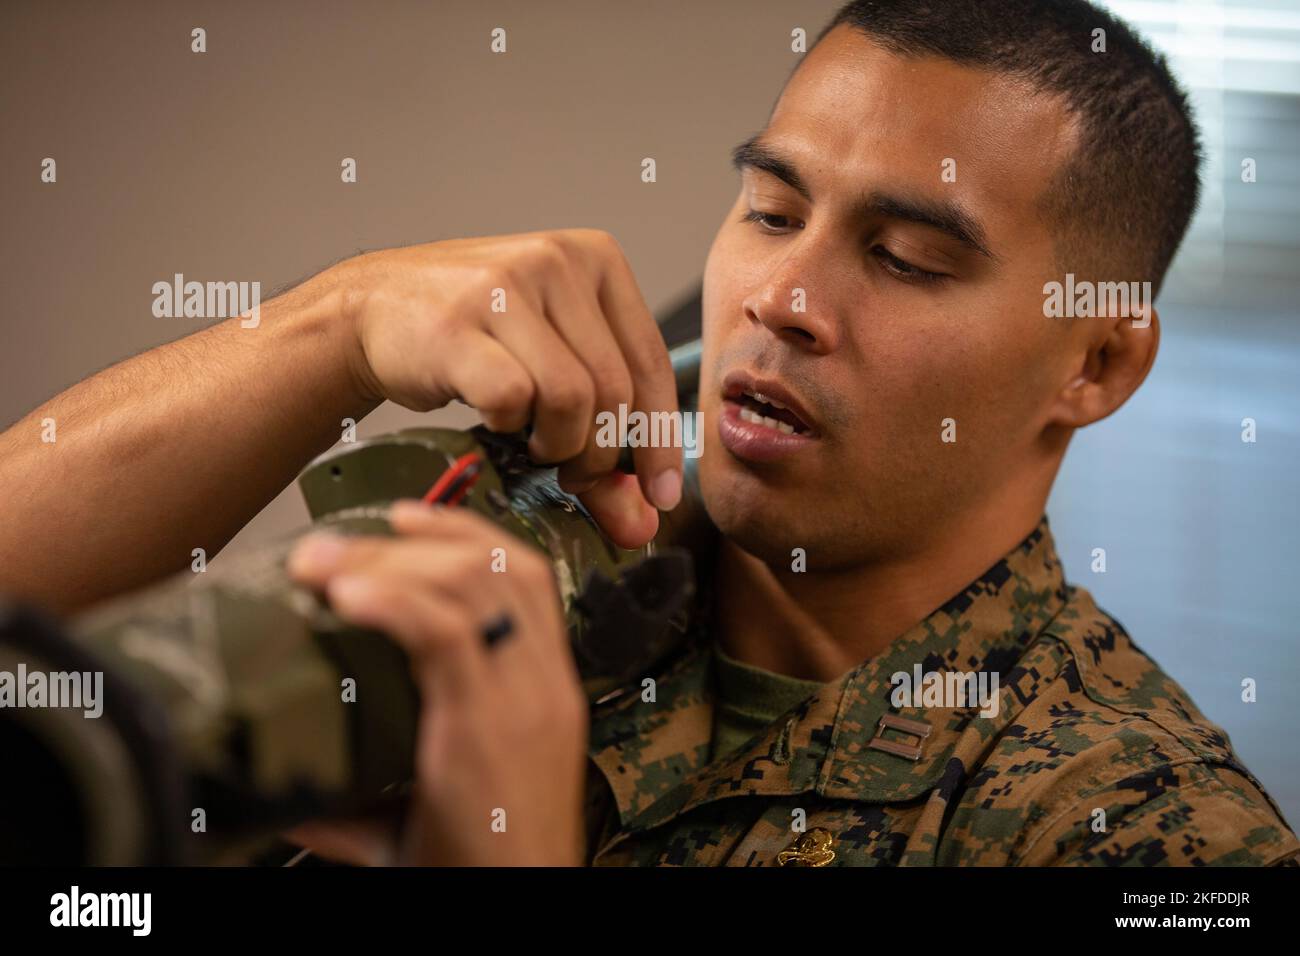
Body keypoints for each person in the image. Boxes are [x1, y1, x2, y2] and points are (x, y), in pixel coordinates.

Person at [2, 0, 1297, 866]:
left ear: (1098, 359)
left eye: (905, 260)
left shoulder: (1144, 834)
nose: (783, 304)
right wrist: (331, 329)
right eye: (773, 212)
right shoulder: (568, 529)